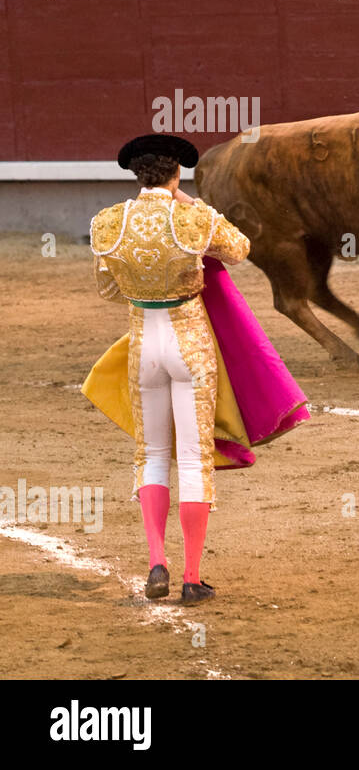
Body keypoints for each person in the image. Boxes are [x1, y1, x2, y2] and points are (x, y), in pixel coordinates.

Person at [88, 135, 252, 604]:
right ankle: (191, 577)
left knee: (152, 453)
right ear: (176, 173)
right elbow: (240, 249)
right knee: (196, 458)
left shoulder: (109, 222)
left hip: (145, 345)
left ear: (136, 175)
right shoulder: (193, 217)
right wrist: (192, 206)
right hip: (190, 345)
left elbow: (108, 290)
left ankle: (156, 562)